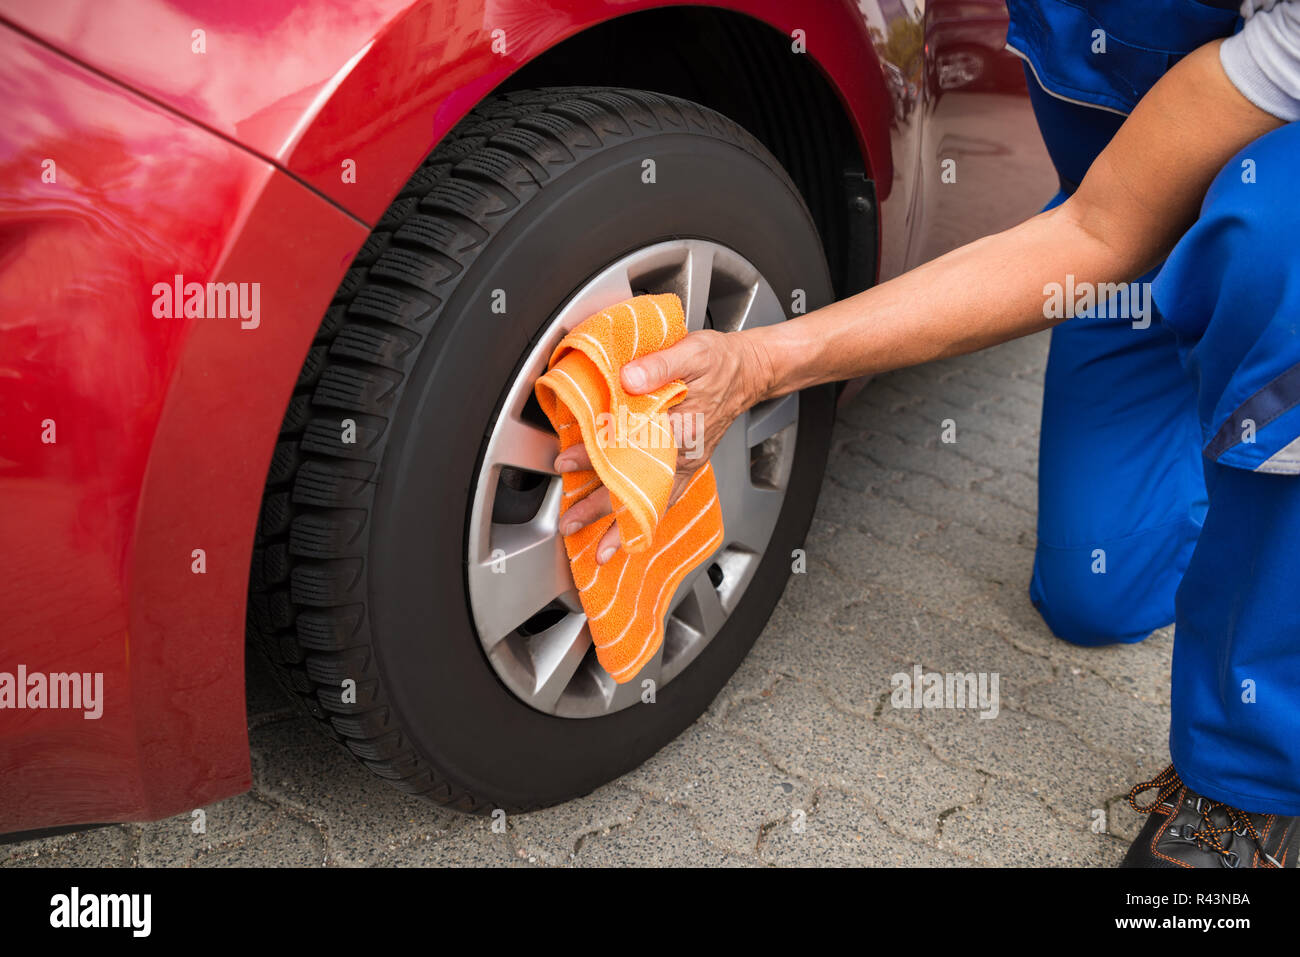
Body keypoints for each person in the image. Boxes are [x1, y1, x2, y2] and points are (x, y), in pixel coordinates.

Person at [553, 0, 1300, 867]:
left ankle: (1251, 774)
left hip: (1259, 247)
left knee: (1276, 245)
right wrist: (754, 363)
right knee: (1093, 598)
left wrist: (764, 363)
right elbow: (1097, 226)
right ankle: (1219, 359)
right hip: (1130, 236)